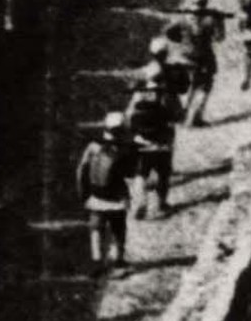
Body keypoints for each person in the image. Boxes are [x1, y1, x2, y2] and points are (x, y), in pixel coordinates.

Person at [76, 112, 133, 270]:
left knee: (96, 228)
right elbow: (129, 173)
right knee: (118, 229)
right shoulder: (123, 150)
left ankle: (96, 261)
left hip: (95, 196)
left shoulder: (92, 146)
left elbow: (81, 170)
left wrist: (83, 194)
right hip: (116, 198)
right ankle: (119, 260)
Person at [123, 67, 180, 217]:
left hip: (141, 145)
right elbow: (174, 118)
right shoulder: (165, 101)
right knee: (163, 176)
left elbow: (128, 120)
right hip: (162, 146)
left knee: (141, 175)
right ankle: (161, 204)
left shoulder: (137, 99)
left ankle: (139, 204)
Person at [181, 0, 226, 126]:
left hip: (185, 54)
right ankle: (196, 118)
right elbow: (219, 38)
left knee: (189, 85)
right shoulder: (211, 18)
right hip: (204, 55)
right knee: (204, 86)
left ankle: (182, 116)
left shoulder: (185, 16)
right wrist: (220, 21)